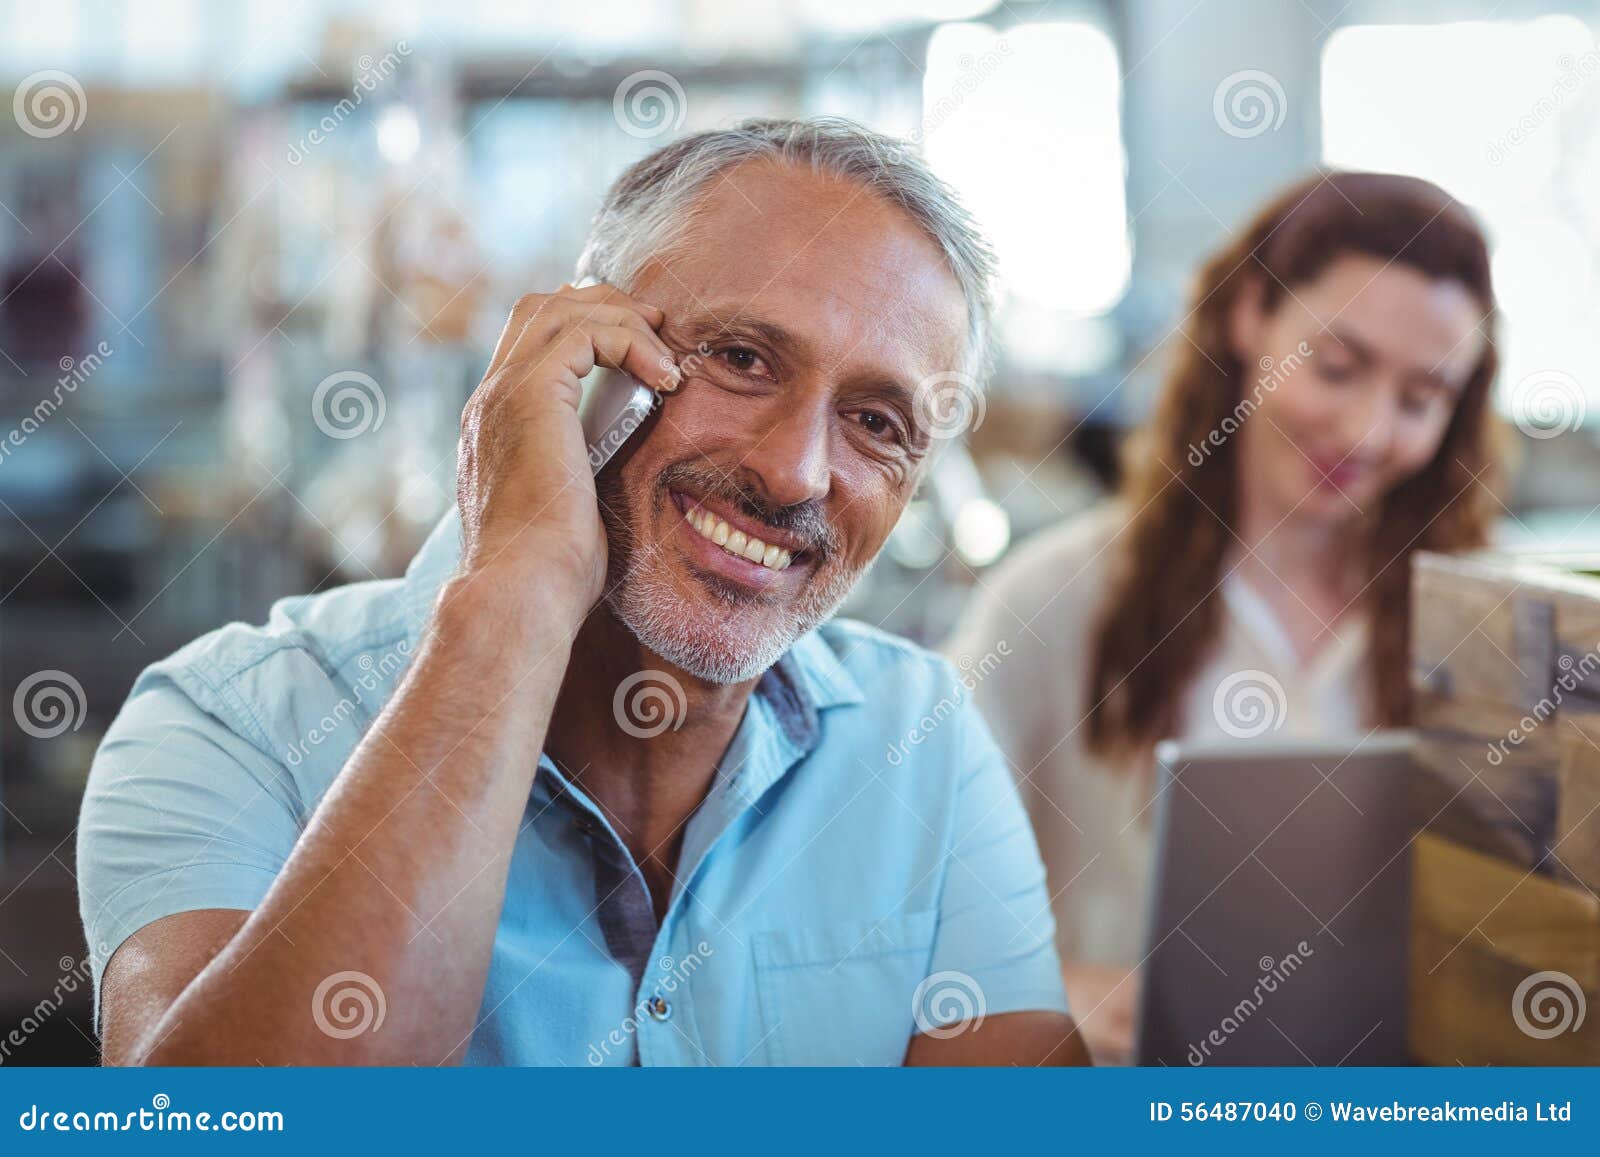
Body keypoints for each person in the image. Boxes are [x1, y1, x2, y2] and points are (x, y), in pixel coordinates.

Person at [77, 118, 1087, 1067]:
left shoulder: (919, 736)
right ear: (576, 352)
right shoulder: (236, 724)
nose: (794, 474)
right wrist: (517, 590)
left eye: (875, 422)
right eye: (741, 359)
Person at [944, 171, 1501, 1064]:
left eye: (1420, 398)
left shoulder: (1477, 623)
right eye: (1336, 366)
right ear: (1250, 317)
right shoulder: (1053, 597)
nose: (1366, 432)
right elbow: (911, 891)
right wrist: (1049, 984)